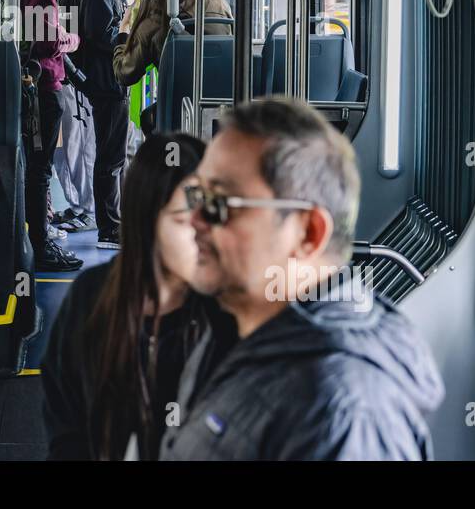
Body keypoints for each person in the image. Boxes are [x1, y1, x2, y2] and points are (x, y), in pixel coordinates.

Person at [160, 97, 444, 460]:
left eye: (219, 203)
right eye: (196, 195)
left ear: (308, 232)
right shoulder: (234, 328)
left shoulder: (342, 414)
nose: (193, 219)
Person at [42, 132, 232, 460]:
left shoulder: (224, 312)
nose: (203, 233)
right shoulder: (92, 297)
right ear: (147, 219)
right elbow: (66, 423)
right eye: (184, 219)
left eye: (209, 215)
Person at [59, 0, 130, 249]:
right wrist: (128, 30)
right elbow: (101, 35)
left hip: (92, 79)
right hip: (106, 79)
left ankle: (110, 221)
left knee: (107, 154)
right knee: (111, 157)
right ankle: (110, 229)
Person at [113, 0, 233, 132]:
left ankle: (166, 161)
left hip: (180, 107)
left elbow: (125, 74)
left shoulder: (153, 19)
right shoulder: (217, 1)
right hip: (223, 105)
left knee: (148, 118)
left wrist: (122, 33)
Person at [20, 0, 83, 272]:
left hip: (28, 83)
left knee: (33, 165)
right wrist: (72, 40)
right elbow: (46, 41)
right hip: (44, 86)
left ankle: (34, 238)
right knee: (40, 170)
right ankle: (42, 246)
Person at [52, 0, 96, 235]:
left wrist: (73, 41)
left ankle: (86, 207)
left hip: (74, 78)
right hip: (59, 77)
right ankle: (76, 203)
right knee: (62, 151)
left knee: (78, 147)